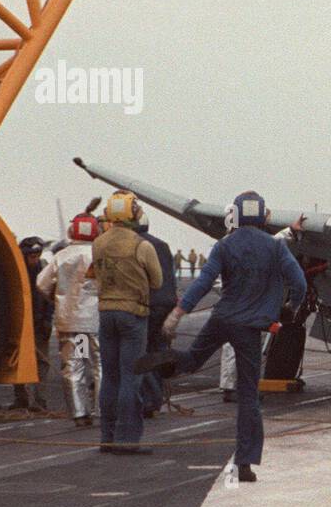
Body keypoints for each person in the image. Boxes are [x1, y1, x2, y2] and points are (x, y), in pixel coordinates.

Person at [137, 192, 307, 483]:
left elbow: (203, 283)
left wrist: (177, 313)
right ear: (263, 214)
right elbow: (299, 283)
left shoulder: (224, 245)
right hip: (250, 328)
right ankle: (244, 463)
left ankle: (167, 359)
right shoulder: (274, 247)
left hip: (222, 318)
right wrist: (290, 308)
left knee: (191, 360)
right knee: (248, 397)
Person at [91, 192, 163, 454]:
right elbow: (157, 281)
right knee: (131, 378)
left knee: (110, 377)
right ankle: (127, 439)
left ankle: (107, 437)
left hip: (105, 313)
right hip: (133, 315)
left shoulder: (98, 243)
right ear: (132, 213)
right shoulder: (141, 245)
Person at [36, 215, 101, 427]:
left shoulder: (61, 256)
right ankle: (102, 410)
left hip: (70, 323)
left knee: (74, 365)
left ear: (72, 232)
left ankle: (80, 413)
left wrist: (58, 300)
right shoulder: (100, 255)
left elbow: (42, 284)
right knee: (100, 365)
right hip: (94, 321)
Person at [136, 213, 177, 418]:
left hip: (147, 305)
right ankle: (156, 397)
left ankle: (149, 400)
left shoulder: (135, 245)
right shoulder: (162, 245)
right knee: (158, 350)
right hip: (166, 304)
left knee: (140, 351)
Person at [12, 236, 52, 411]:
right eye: (31, 256)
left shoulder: (43, 269)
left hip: (40, 322)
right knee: (18, 360)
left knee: (42, 362)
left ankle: (39, 400)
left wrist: (48, 320)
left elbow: (50, 296)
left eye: (37, 256)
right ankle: (21, 398)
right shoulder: (15, 272)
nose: (34, 260)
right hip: (21, 323)